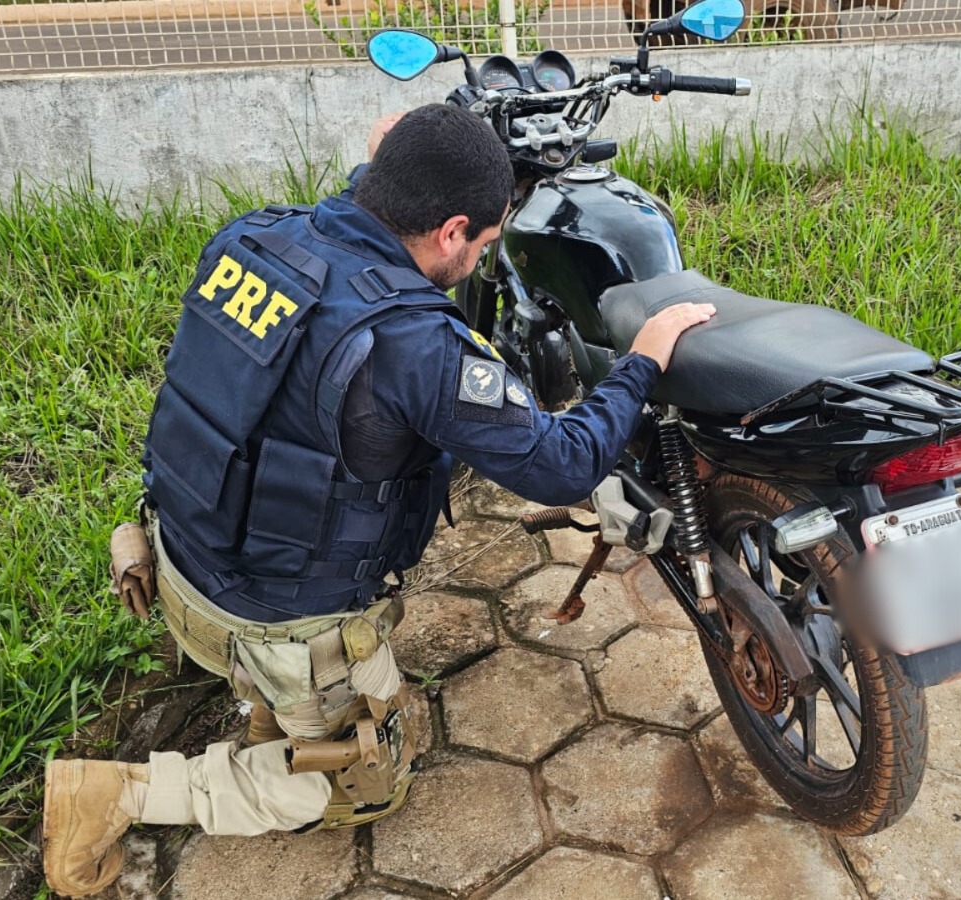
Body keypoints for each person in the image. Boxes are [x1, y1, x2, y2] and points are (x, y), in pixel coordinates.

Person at [41, 104, 715, 897]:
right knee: (366, 784)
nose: (482, 259)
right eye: (487, 244)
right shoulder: (416, 345)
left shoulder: (251, 237)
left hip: (175, 559)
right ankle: (118, 792)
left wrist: (390, 157)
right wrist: (643, 358)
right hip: (267, 620)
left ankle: (274, 705)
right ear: (451, 229)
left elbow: (340, 263)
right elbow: (563, 464)